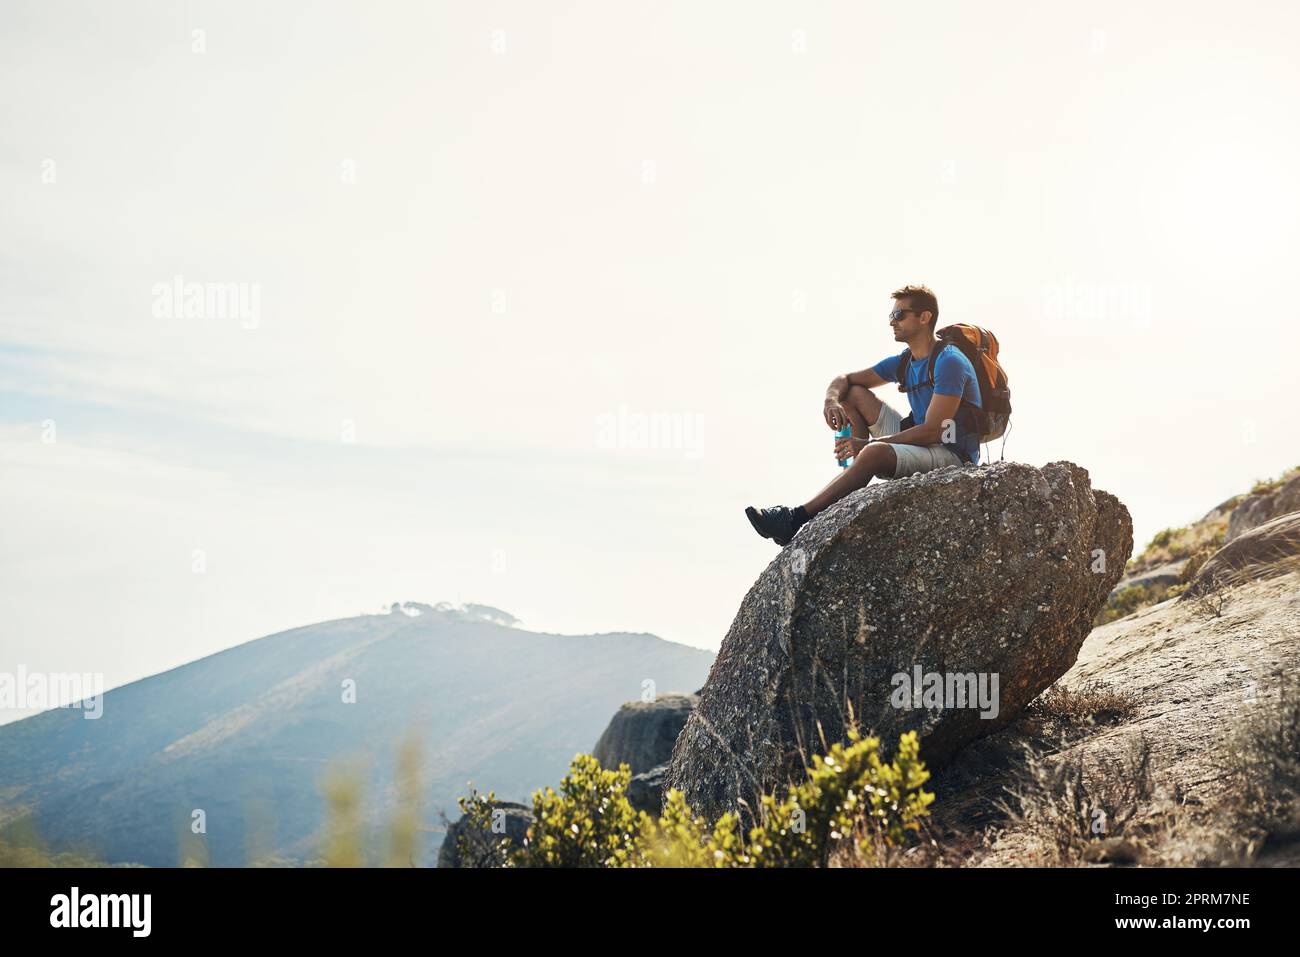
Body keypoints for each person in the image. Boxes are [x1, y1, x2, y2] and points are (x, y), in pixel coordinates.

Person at [746, 284, 983, 546]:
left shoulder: (949, 361)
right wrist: (831, 401)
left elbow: (935, 429)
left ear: (925, 317)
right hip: (921, 442)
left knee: (873, 452)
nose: (892, 322)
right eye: (891, 316)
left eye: (899, 315)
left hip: (952, 453)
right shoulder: (906, 361)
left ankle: (793, 519)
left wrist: (870, 446)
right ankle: (854, 478)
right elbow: (845, 379)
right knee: (853, 394)